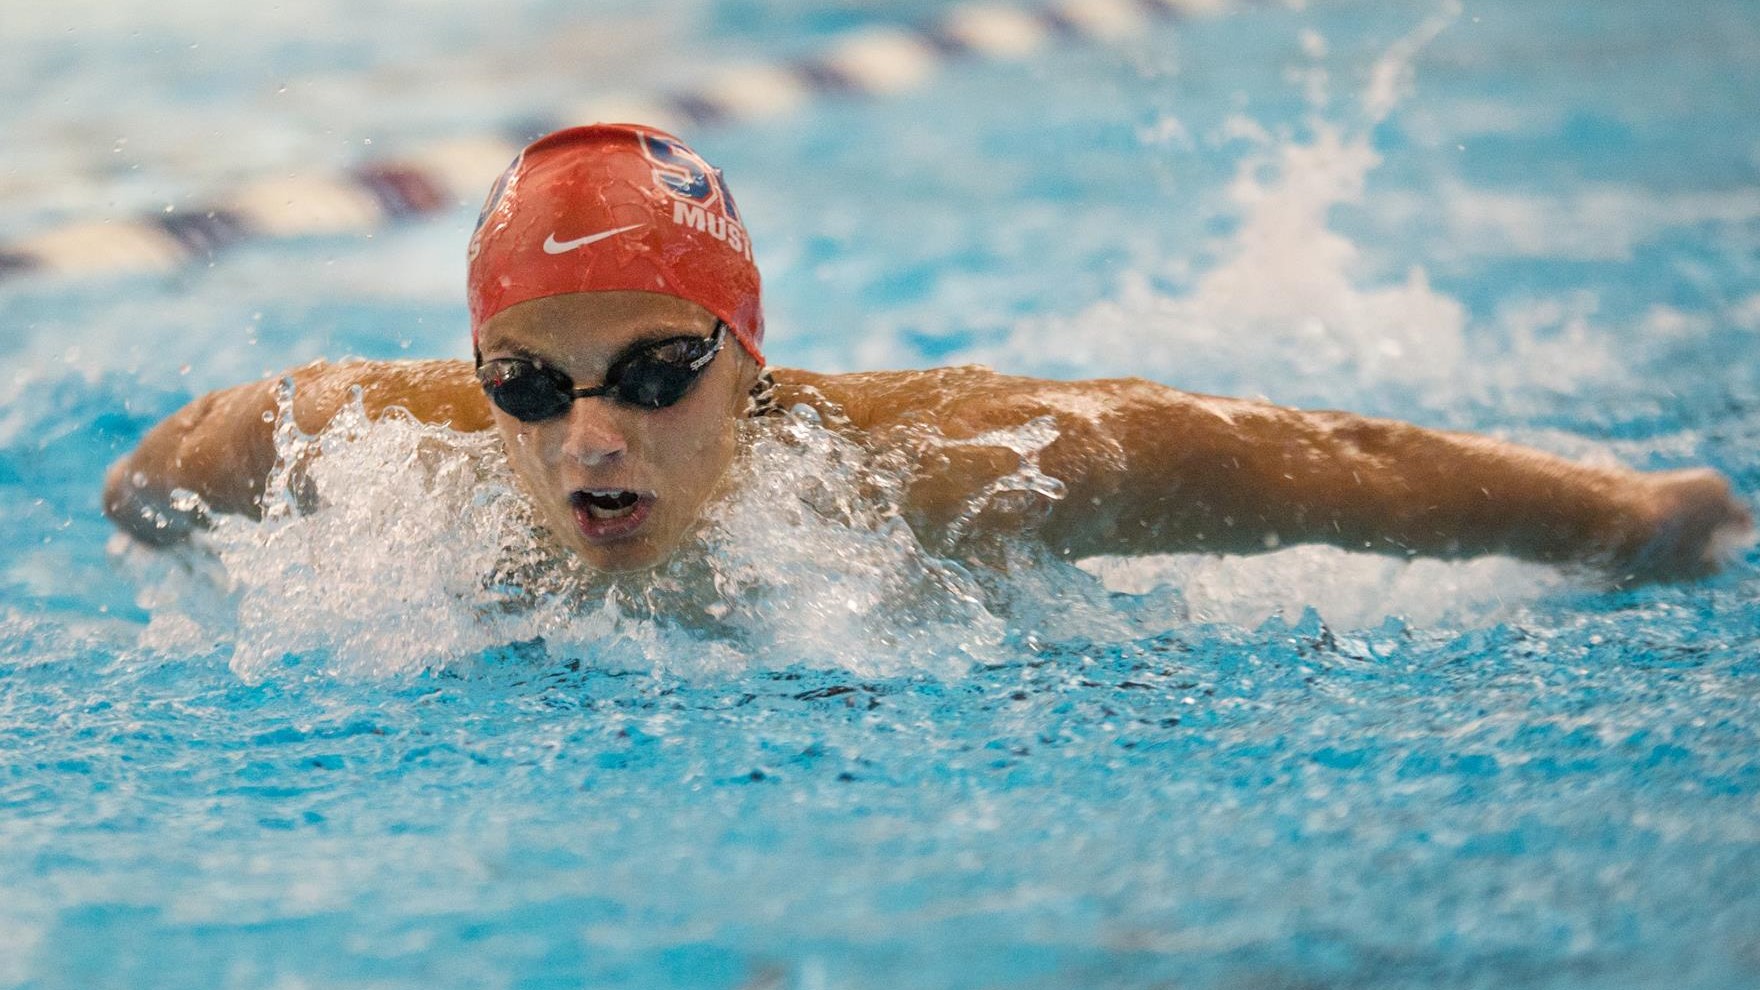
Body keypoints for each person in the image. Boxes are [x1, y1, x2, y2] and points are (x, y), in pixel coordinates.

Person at [104, 124, 1751, 588]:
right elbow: (192, 450)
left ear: (750, 353)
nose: (589, 430)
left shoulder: (953, 469)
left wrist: (1617, 520)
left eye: (658, 369)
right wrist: (154, 523)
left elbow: (1325, 467)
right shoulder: (400, 447)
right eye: (530, 384)